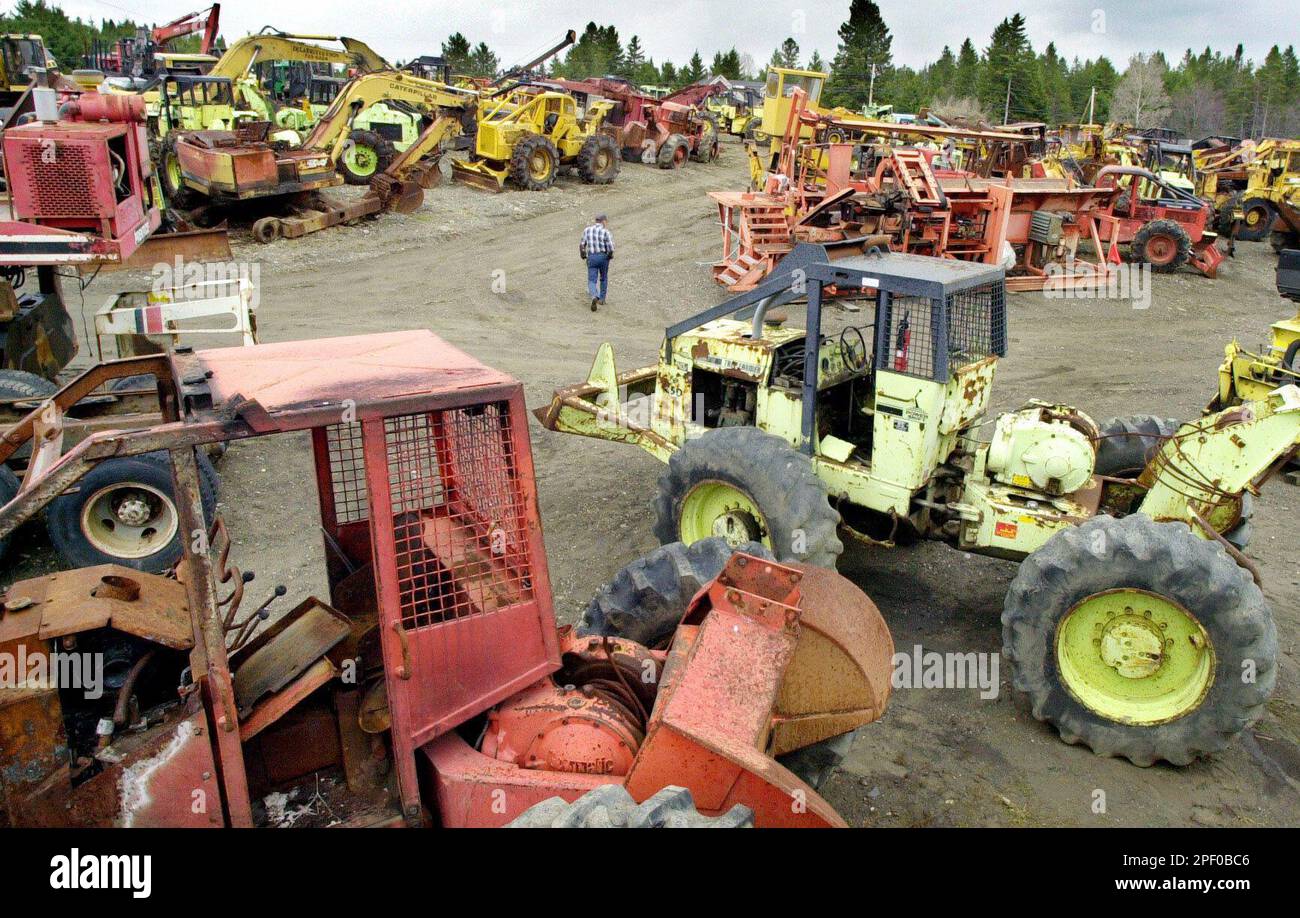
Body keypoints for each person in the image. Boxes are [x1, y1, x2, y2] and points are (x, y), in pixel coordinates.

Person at [581, 214, 614, 311]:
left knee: (592, 280)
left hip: (592, 257)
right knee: (603, 278)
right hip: (603, 256)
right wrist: (609, 256)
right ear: (603, 221)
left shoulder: (587, 230)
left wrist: (583, 255)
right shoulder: (606, 232)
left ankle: (594, 296)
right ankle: (602, 299)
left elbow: (582, 245)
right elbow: (611, 248)